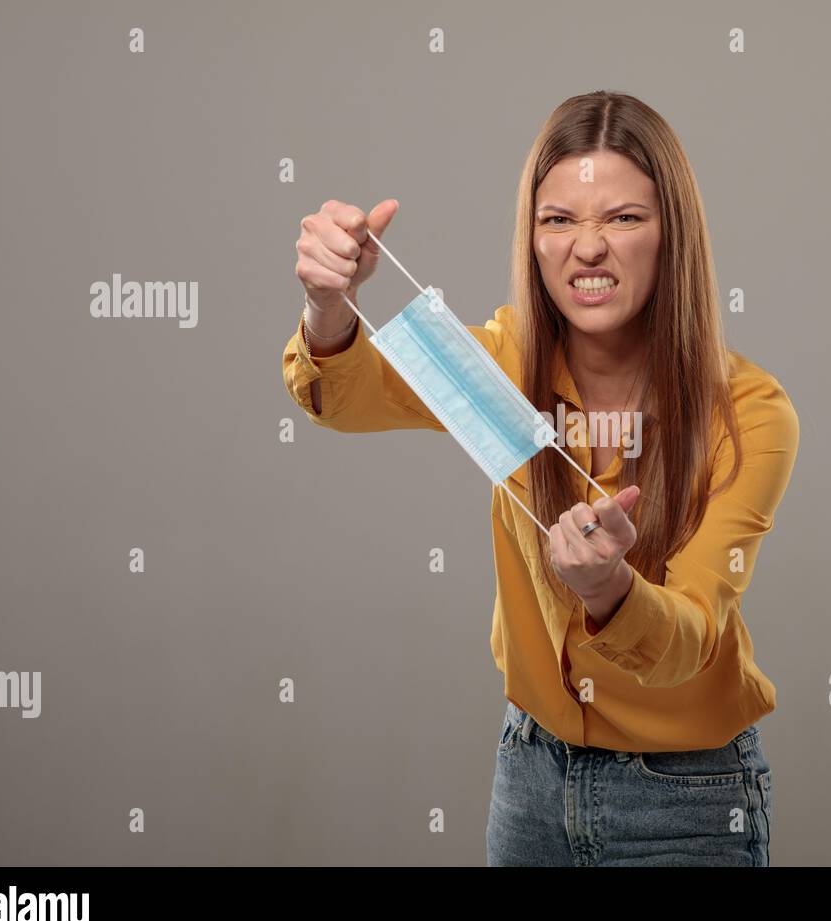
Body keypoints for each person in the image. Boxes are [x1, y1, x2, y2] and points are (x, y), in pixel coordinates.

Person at [282, 90, 799, 866]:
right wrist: (329, 306)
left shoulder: (747, 415)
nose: (586, 248)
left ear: (673, 236)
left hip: (688, 803)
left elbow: (691, 639)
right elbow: (345, 397)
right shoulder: (503, 368)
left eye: (623, 218)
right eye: (558, 220)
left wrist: (609, 594)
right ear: (532, 239)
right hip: (529, 777)